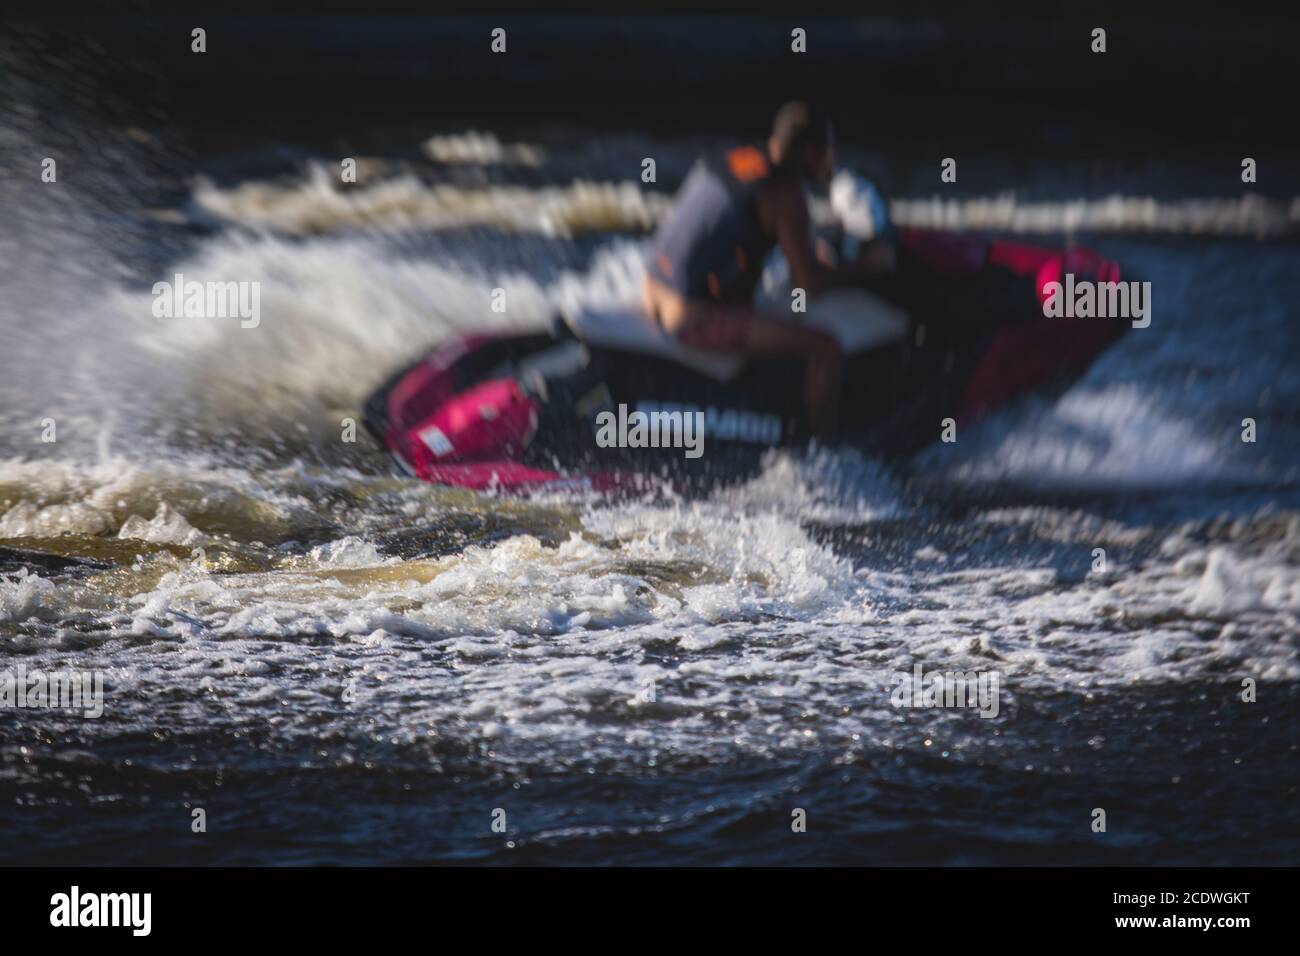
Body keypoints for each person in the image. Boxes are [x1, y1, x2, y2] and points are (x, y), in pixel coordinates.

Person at [642, 101, 891, 441]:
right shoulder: (786, 196)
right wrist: (867, 264)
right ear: (808, 153)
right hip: (689, 317)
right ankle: (828, 455)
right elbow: (810, 285)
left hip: (653, 288)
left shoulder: (737, 158)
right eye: (827, 152)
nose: (831, 162)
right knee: (826, 348)